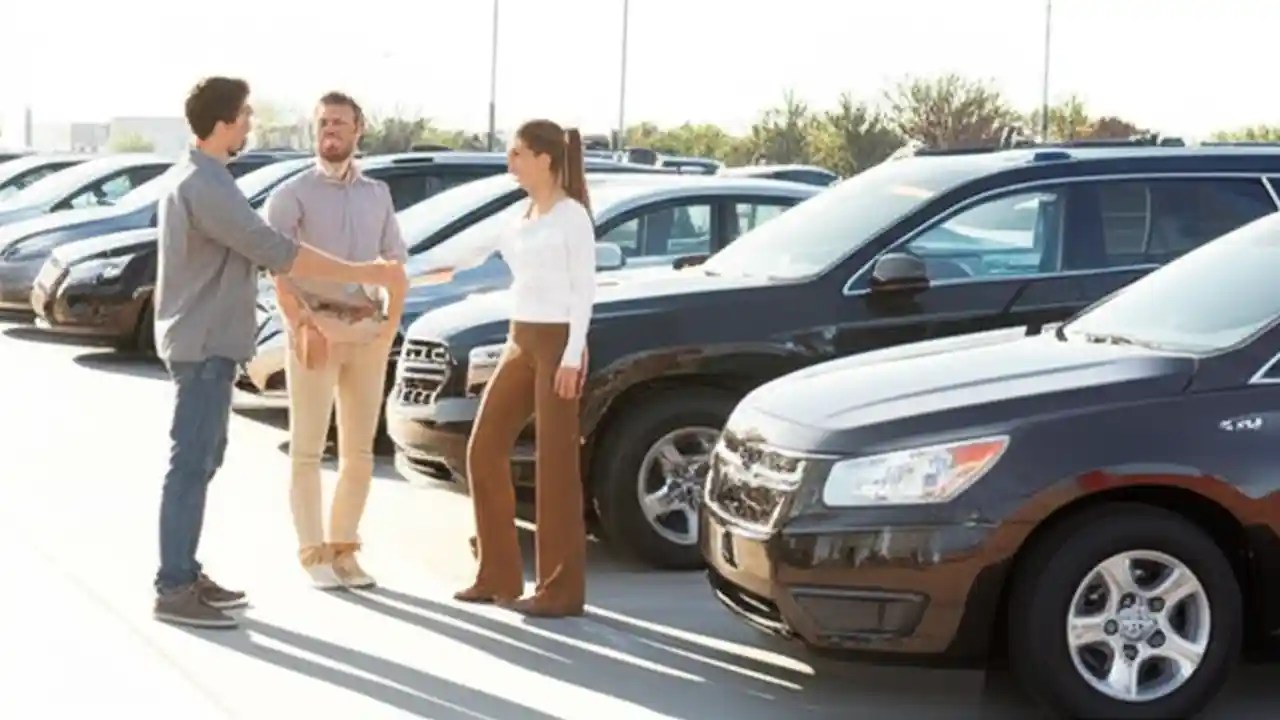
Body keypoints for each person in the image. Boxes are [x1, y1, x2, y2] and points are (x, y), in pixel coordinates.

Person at [152, 76, 402, 629]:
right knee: (191, 465)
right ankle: (174, 586)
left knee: (202, 460)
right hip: (204, 344)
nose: (250, 124)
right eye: (244, 115)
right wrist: (359, 274)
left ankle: (185, 573)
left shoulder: (207, 176)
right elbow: (275, 251)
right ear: (223, 122)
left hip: (213, 344)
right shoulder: (206, 184)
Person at [422, 119, 595, 617]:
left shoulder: (571, 217)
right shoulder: (521, 217)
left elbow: (585, 290)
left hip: (560, 341)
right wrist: (402, 269)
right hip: (521, 339)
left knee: (556, 464)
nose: (510, 163)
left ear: (544, 158)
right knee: (483, 448)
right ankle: (497, 575)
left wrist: (572, 354)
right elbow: (468, 253)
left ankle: (560, 590)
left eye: (517, 153)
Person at [266, 91, 408, 590]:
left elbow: (394, 263)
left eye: (340, 123)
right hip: (315, 331)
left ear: (358, 129)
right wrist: (301, 324)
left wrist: (388, 324)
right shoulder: (292, 194)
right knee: (307, 450)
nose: (330, 130)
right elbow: (276, 269)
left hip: (366, 332)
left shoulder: (378, 194)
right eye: (323, 122)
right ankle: (312, 553)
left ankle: (344, 549)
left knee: (360, 453)